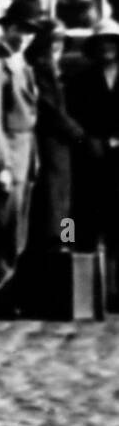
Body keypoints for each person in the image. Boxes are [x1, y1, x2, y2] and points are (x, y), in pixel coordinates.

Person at [0, 0, 41, 314]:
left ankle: (4, 290)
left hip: (27, 154)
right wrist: (0, 164)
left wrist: (35, 159)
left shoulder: (24, 65)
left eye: (30, 32)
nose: (25, 36)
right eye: (20, 29)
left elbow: (32, 118)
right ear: (6, 28)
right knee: (4, 230)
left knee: (19, 231)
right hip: (9, 156)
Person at [67, 20, 119, 295]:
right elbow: (72, 119)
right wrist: (89, 141)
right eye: (101, 43)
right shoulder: (80, 79)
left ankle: (115, 291)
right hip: (90, 160)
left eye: (112, 42)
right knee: (84, 223)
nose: (107, 49)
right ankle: (85, 292)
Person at [24, 21, 84, 260]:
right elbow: (48, 108)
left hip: (63, 145)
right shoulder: (40, 69)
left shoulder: (57, 70)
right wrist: (76, 131)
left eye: (59, 42)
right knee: (53, 195)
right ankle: (56, 243)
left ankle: (64, 242)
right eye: (52, 42)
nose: (56, 47)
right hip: (50, 142)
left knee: (64, 196)